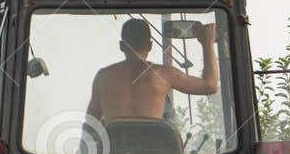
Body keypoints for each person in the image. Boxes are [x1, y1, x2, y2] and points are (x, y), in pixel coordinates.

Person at [86, 17, 219, 125]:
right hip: (154, 152)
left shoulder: (103, 77)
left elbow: (91, 123)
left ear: (122, 46)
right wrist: (207, 43)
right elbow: (210, 86)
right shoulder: (163, 74)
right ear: (150, 46)